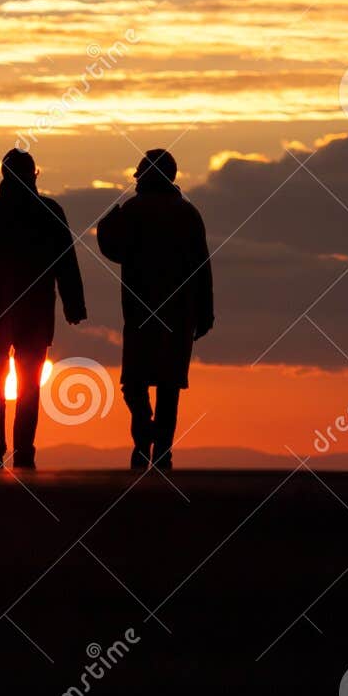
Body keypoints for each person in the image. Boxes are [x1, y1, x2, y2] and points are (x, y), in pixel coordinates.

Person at [0, 148, 86, 470]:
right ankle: (23, 451)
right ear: (34, 175)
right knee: (28, 385)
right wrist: (74, 306)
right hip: (35, 315)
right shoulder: (50, 212)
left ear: (4, 175)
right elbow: (67, 263)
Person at [96, 148, 213, 471]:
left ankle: (145, 439)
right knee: (168, 385)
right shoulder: (188, 213)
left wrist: (106, 224)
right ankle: (160, 449)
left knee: (135, 383)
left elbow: (113, 249)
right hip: (179, 313)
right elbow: (203, 268)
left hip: (140, 312)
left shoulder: (134, 211)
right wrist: (206, 313)